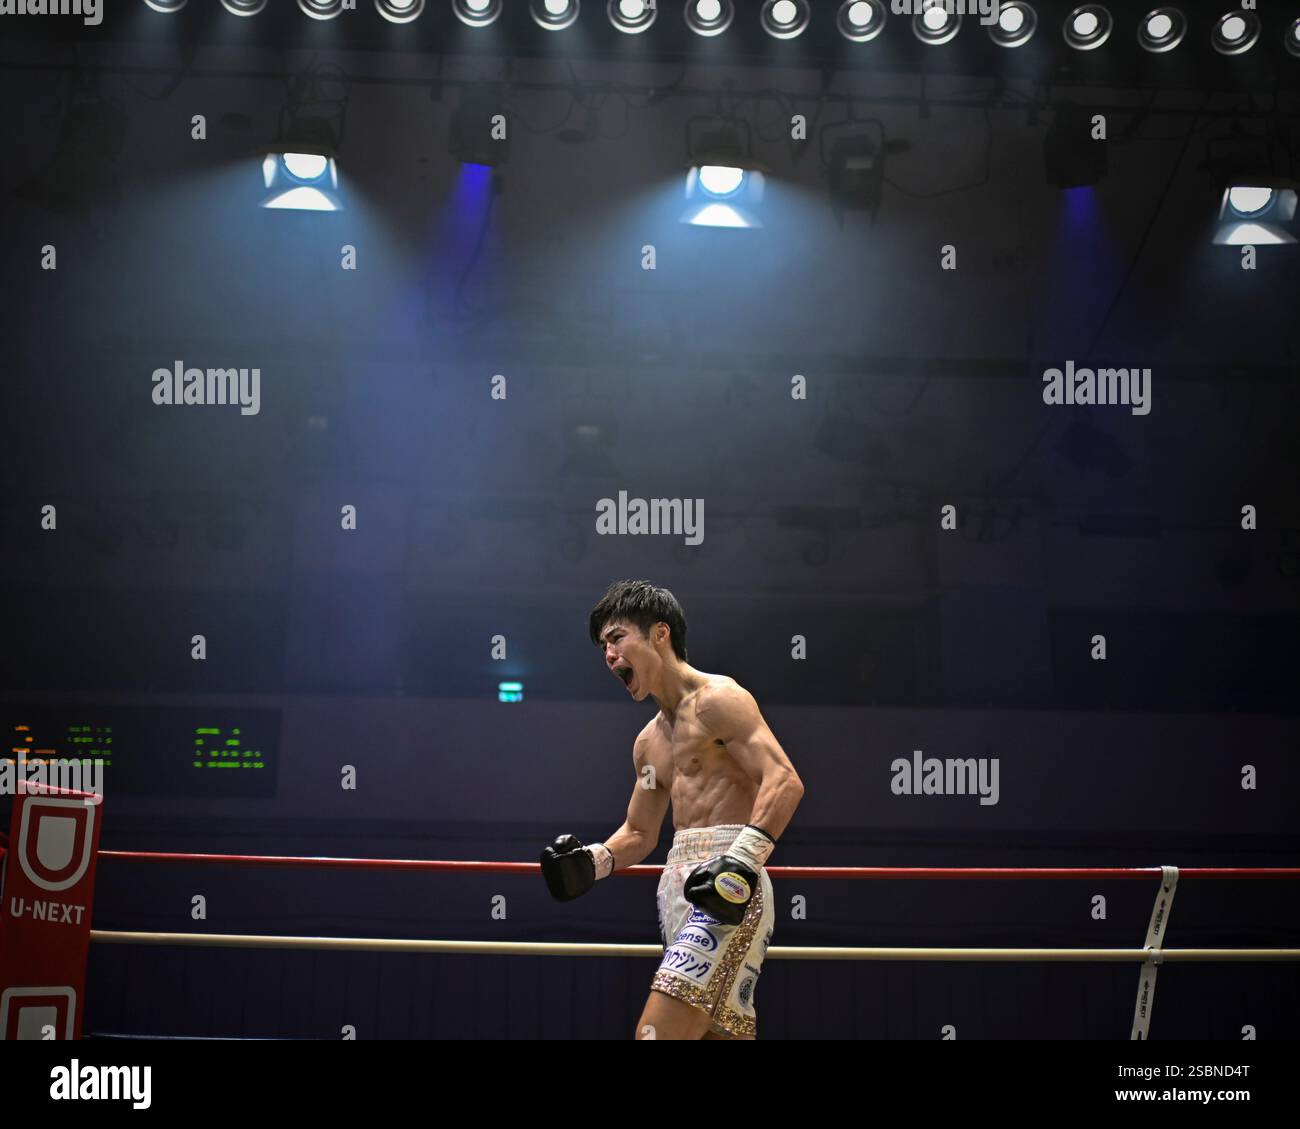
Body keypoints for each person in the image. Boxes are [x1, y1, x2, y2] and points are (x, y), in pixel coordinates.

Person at [541, 580, 804, 1039]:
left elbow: (784, 781)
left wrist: (741, 862)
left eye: (617, 637)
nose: (608, 654)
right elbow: (640, 833)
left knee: (656, 1033)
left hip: (729, 883)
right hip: (676, 887)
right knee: (714, 1033)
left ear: (659, 634)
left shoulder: (719, 701)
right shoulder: (648, 744)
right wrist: (592, 863)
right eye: (603, 645)